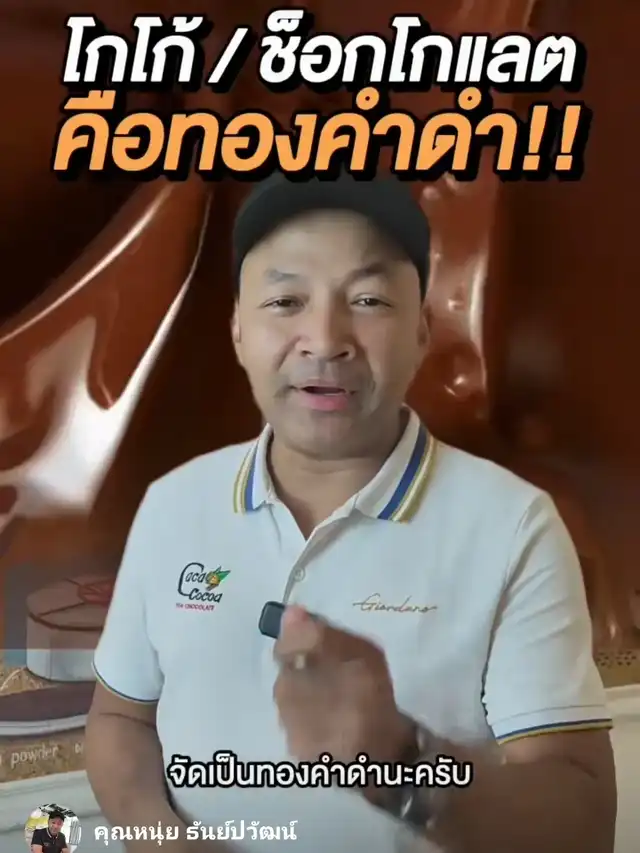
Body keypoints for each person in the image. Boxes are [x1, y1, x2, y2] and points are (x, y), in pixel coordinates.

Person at [86, 172, 616, 853]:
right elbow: (119, 720)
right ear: (239, 332)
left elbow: (583, 823)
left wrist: (398, 760)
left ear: (421, 331)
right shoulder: (172, 504)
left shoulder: (515, 527)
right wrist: (163, 840)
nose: (325, 339)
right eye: (286, 300)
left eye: (367, 299)